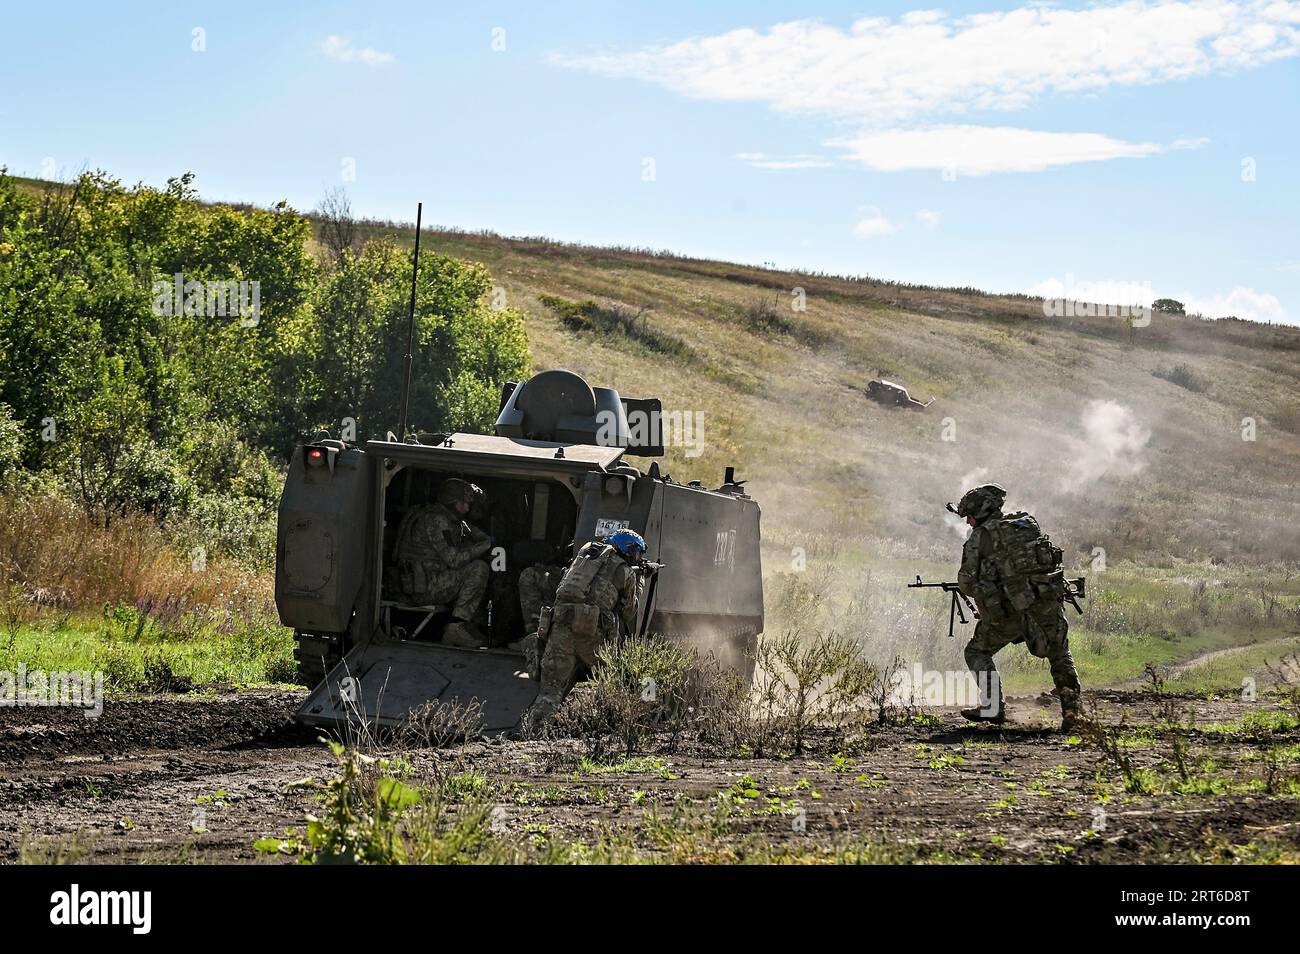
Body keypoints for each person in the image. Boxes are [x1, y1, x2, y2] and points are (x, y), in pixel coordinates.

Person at [954, 484, 1082, 732]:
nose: (968, 521)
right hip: (1045, 600)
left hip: (1008, 611)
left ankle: (992, 707)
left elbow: (966, 582)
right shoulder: (1026, 523)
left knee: (977, 651)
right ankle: (1073, 713)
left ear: (981, 512)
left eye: (970, 515)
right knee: (1059, 654)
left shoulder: (980, 538)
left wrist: (985, 587)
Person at [518, 529, 646, 735]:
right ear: (629, 550)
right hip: (591, 635)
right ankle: (609, 730)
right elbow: (629, 612)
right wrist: (640, 581)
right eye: (637, 554)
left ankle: (533, 736)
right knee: (616, 681)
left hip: (560, 626)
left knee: (550, 691)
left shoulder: (587, 554)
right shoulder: (625, 572)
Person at [394, 477, 491, 648]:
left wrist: (483, 540)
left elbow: (471, 534)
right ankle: (455, 627)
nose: (467, 508)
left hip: (426, 581)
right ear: (452, 501)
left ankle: (466, 626)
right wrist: (484, 546)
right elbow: (454, 559)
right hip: (424, 587)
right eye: (464, 503)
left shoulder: (445, 517)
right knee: (478, 569)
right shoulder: (437, 520)